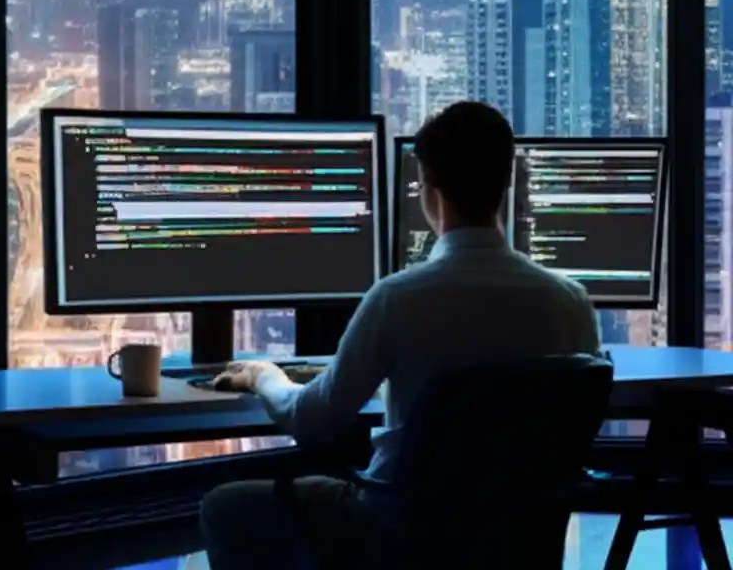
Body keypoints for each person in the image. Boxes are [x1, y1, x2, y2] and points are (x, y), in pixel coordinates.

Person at [200, 102, 602, 570]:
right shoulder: (571, 302)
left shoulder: (399, 298)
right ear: (507, 183)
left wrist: (262, 375)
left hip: (396, 532)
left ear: (430, 192)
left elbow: (312, 420)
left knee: (223, 508)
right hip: (515, 541)